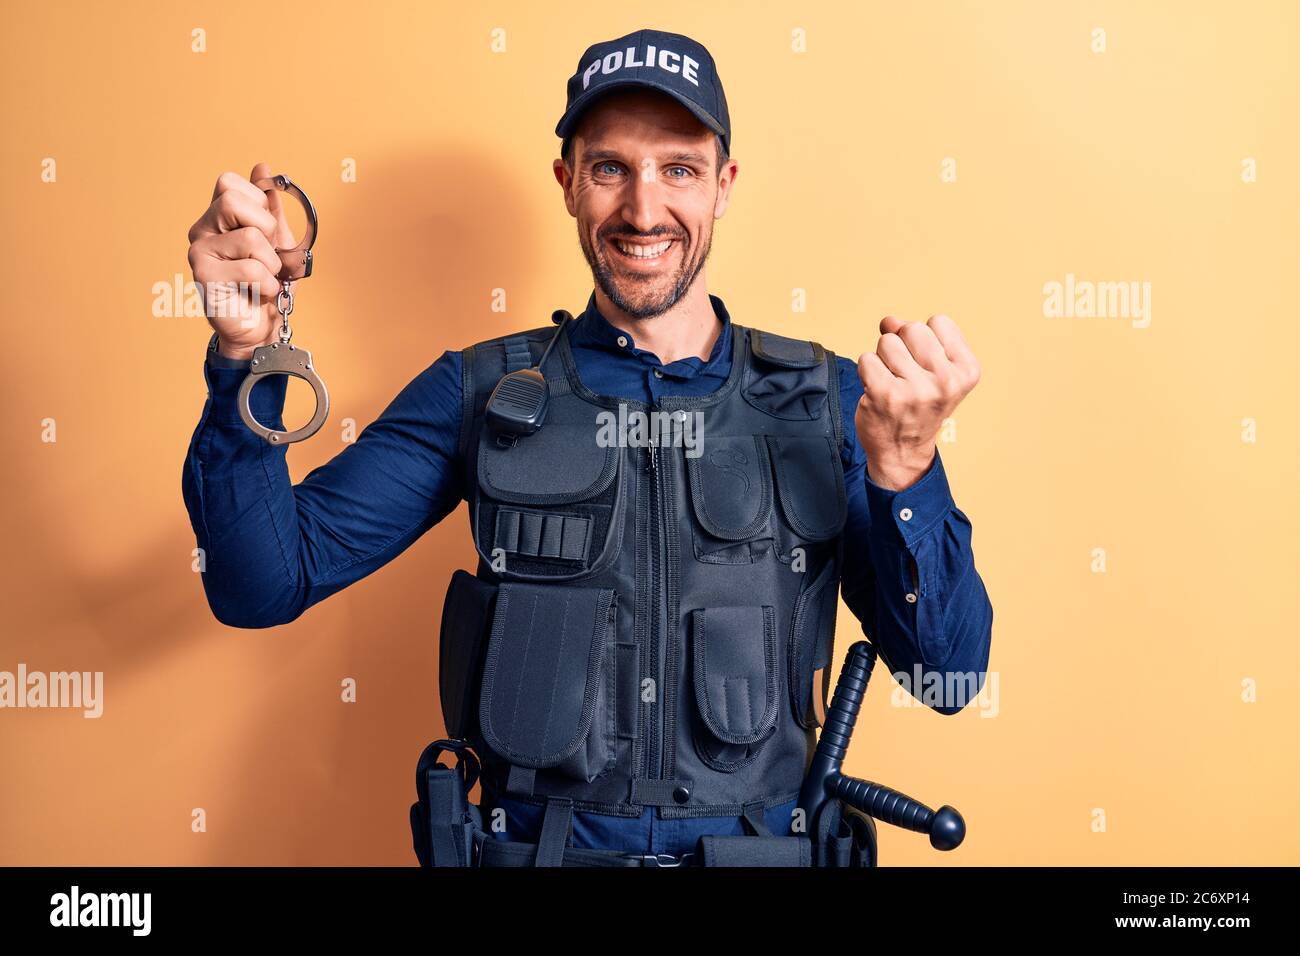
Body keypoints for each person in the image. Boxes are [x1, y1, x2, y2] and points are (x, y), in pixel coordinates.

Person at [182, 28, 992, 866]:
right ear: (568, 183)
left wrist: (909, 474)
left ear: (724, 186)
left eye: (679, 168)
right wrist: (247, 357)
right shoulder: (478, 391)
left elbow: (953, 676)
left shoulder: (829, 403)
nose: (644, 210)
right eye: (611, 168)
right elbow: (259, 585)